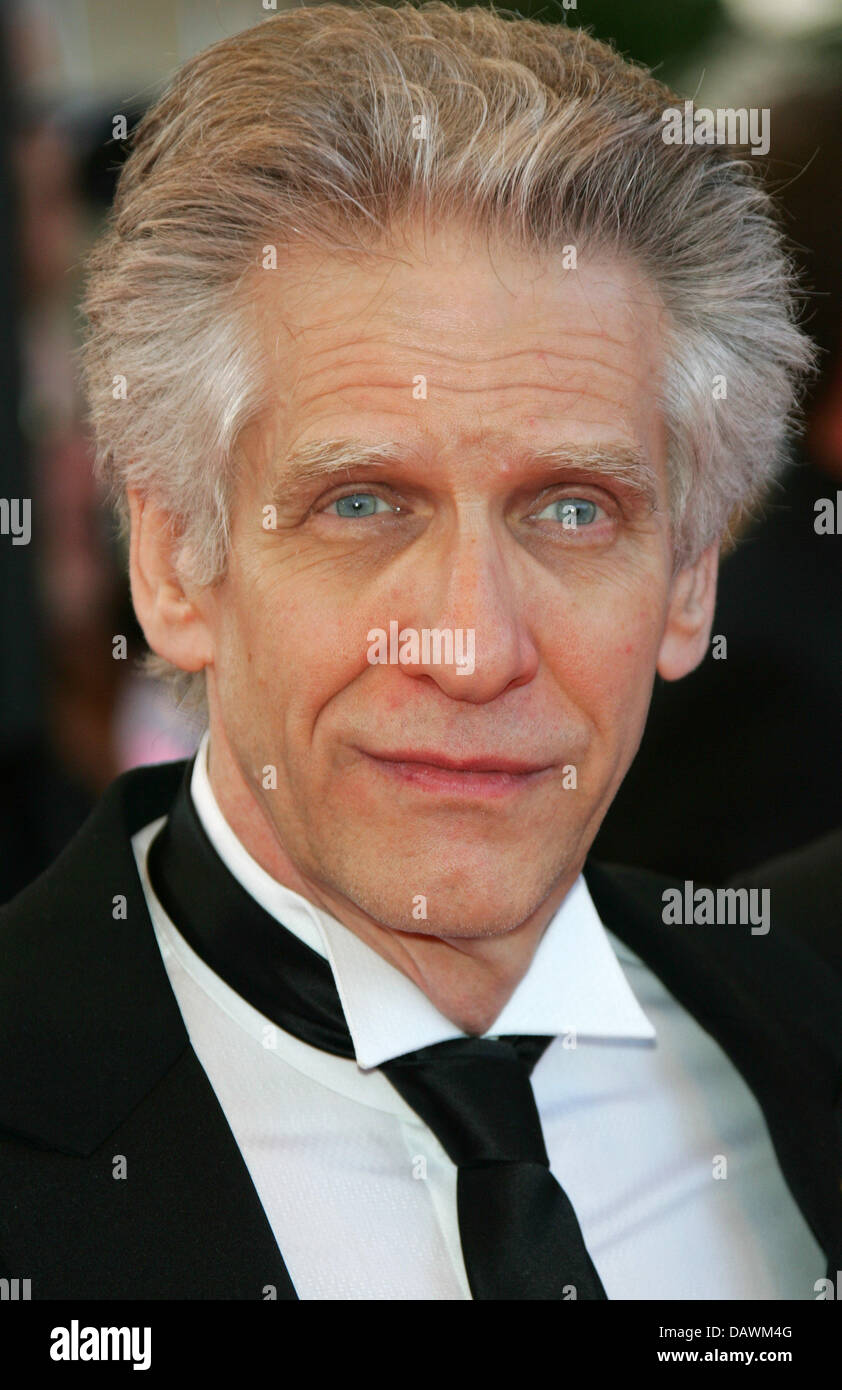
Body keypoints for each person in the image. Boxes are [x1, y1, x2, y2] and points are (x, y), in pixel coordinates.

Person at [1, 3, 840, 1301]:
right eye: (361, 504)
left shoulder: (801, 1051)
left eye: (573, 509)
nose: (470, 647)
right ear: (173, 563)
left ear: (686, 582)